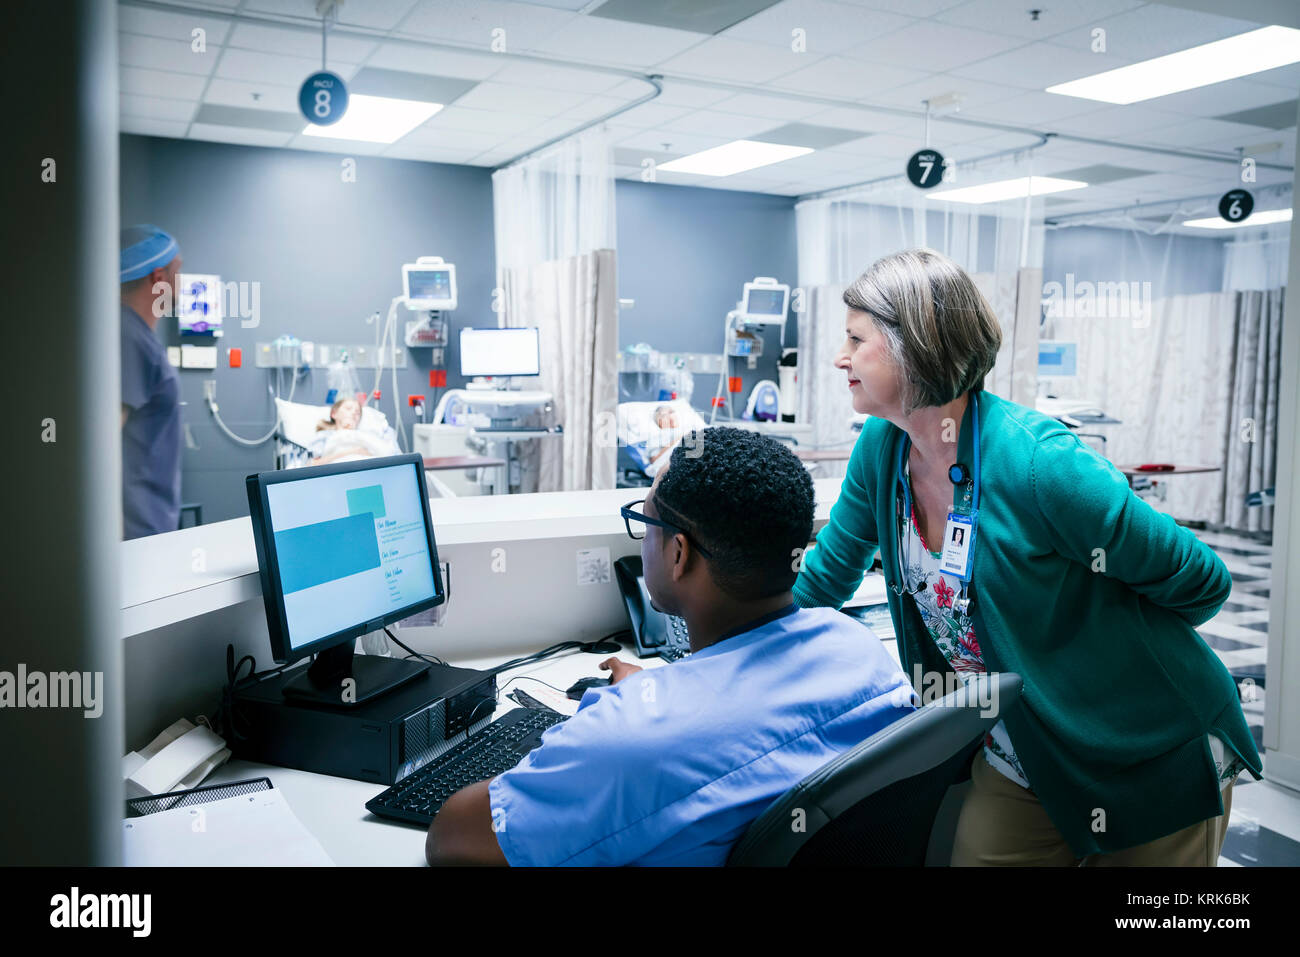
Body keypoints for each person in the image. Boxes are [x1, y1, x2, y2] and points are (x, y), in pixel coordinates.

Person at [794, 247, 1262, 866]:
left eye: (855, 339)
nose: (839, 357)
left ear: (916, 345)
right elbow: (827, 575)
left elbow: (1204, 583)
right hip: (1021, 751)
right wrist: (719, 664)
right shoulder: (884, 448)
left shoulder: (1043, 467)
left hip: (1143, 749)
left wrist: (1098, 651)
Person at [425, 427, 917, 866]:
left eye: (646, 523)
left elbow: (450, 837)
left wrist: (613, 723)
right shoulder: (861, 653)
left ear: (678, 553)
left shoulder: (627, 742)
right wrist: (658, 697)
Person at [119, 225, 183, 540]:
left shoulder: (136, 336)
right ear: (159, 278)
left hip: (148, 532)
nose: (183, 282)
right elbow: (100, 445)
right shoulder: (128, 337)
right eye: (179, 271)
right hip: (132, 537)